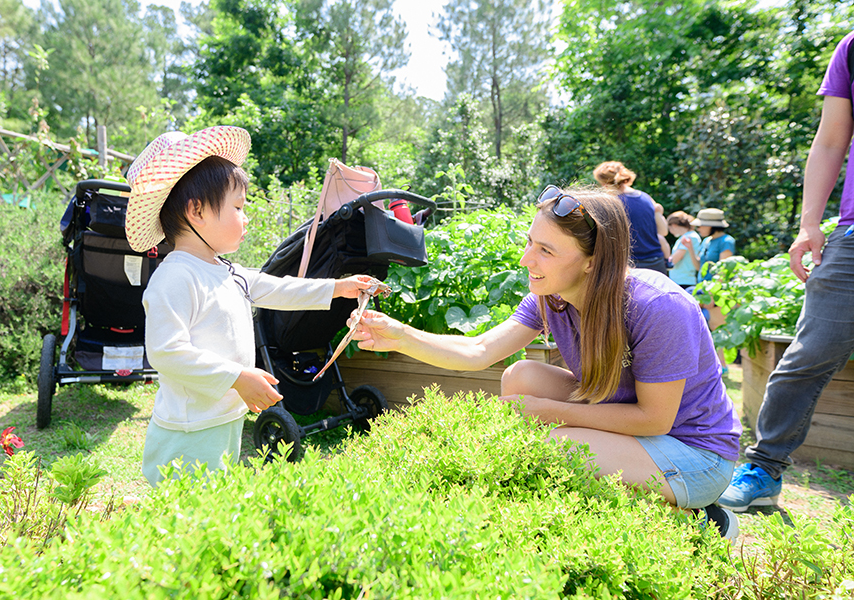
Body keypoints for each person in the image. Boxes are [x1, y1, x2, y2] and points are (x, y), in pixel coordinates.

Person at [352, 184, 742, 539]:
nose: (526, 260)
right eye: (530, 243)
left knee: (560, 445)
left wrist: (547, 412)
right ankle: (629, 498)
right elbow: (479, 350)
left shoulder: (657, 307)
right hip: (635, 423)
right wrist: (400, 336)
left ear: (593, 260)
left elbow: (655, 419)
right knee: (522, 375)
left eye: (546, 250)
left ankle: (695, 517)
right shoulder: (551, 296)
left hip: (696, 451)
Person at [125, 126, 375, 486]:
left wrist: (339, 288)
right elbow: (166, 352)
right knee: (186, 511)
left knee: (213, 502)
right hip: (188, 427)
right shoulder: (175, 277)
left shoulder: (226, 270)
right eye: (238, 207)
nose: (246, 217)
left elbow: (279, 289)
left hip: (222, 415)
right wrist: (237, 376)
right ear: (197, 211)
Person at [719, 31, 854, 512]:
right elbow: (832, 138)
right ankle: (764, 467)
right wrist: (809, 224)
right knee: (808, 355)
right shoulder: (852, 48)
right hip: (853, 236)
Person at [682, 208, 736, 374]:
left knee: (716, 327)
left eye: (701, 225)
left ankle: (723, 366)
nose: (698, 228)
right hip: (701, 290)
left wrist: (712, 295)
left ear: (713, 226)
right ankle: (711, 366)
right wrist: (690, 249)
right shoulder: (706, 242)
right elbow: (700, 266)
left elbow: (723, 270)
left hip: (716, 293)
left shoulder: (727, 241)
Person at [593, 161, 671, 274]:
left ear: (605, 184)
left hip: (630, 266)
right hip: (656, 264)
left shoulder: (612, 203)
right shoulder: (646, 197)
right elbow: (663, 231)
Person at [667, 211, 702, 289]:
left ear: (674, 225)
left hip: (684, 281)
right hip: (681, 280)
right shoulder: (687, 236)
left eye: (669, 228)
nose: (670, 231)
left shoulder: (689, 237)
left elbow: (674, 260)